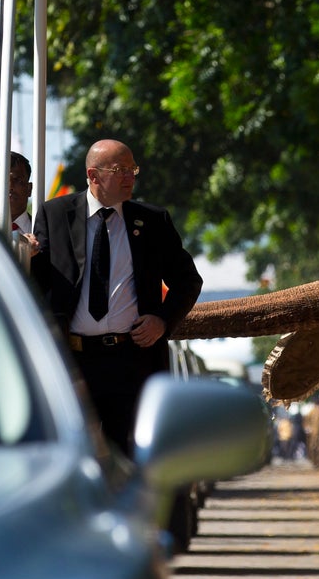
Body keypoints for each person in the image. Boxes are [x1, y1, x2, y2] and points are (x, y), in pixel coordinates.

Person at [30, 139, 202, 455]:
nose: (130, 177)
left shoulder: (152, 221)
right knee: (73, 452)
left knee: (128, 455)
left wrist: (162, 321)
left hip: (131, 360)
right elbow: (35, 286)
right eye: (120, 170)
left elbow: (188, 281)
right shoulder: (55, 215)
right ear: (93, 176)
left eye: (132, 169)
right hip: (72, 362)